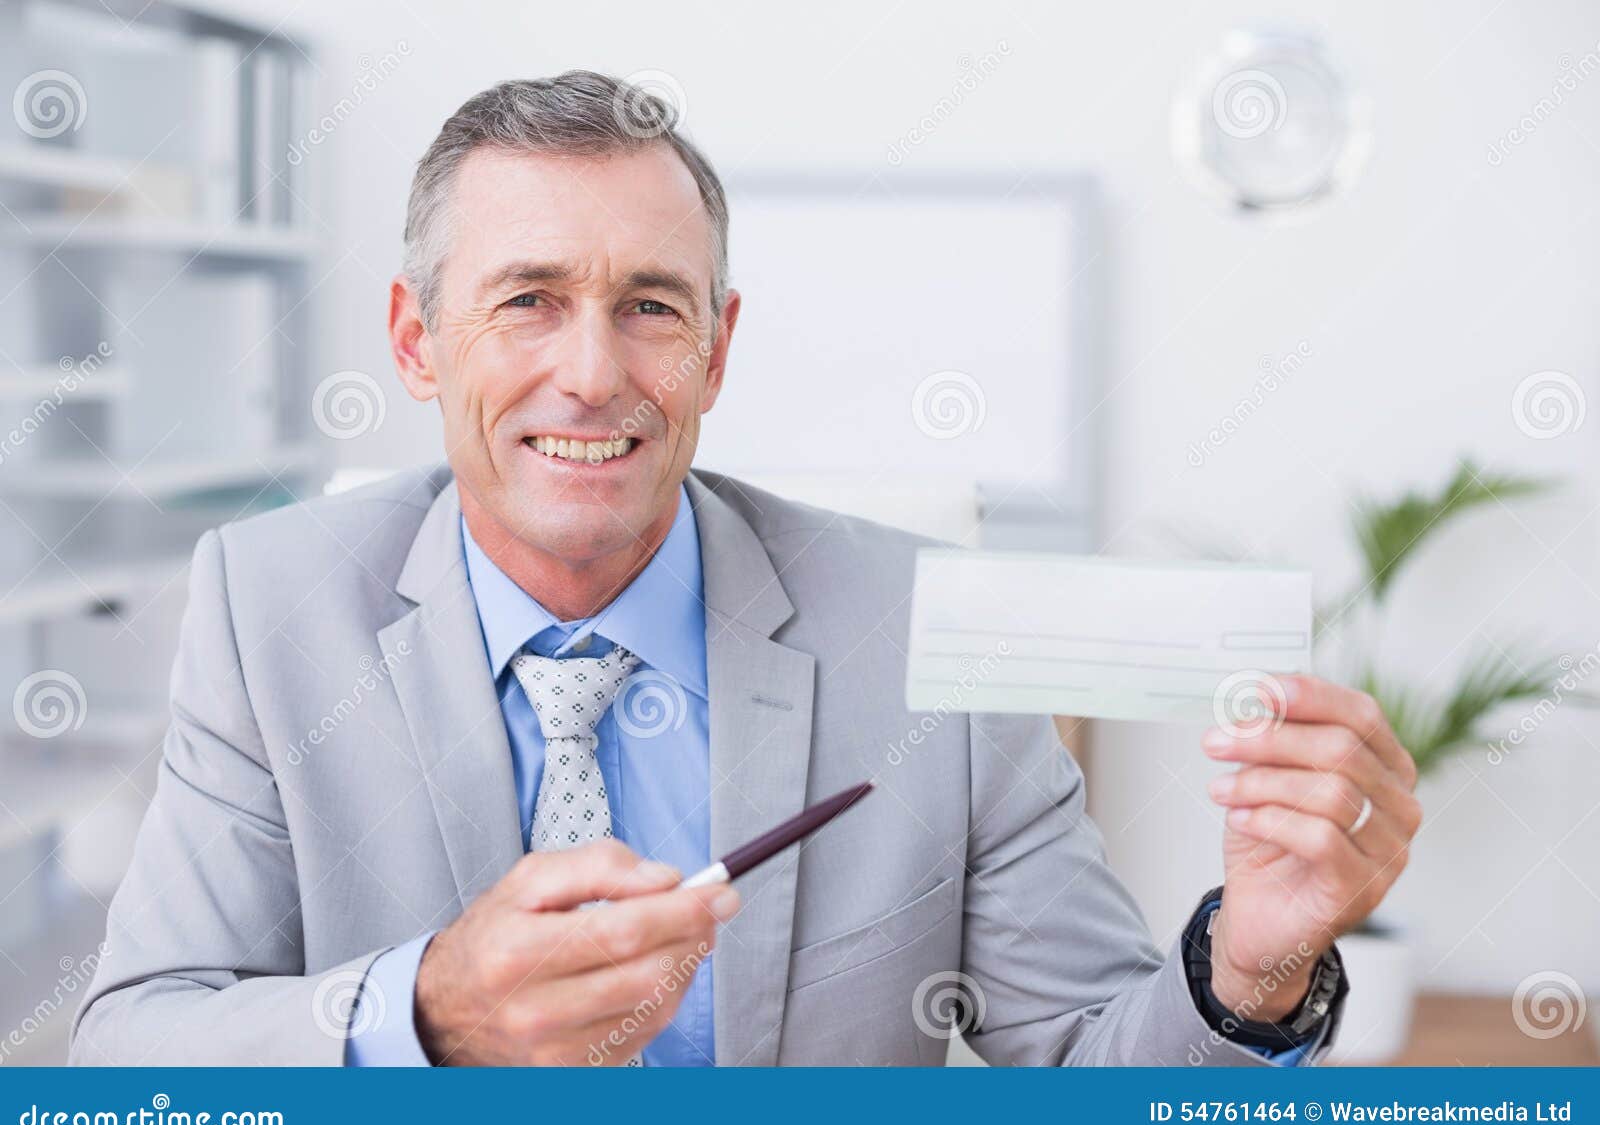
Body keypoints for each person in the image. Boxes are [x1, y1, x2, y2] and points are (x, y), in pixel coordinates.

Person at [71, 71, 1419, 1067]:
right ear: (416, 343)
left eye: (649, 307)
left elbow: (1091, 1075)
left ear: (715, 351)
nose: (591, 372)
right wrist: (428, 1010)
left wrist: (1250, 972)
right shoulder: (266, 608)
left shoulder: (922, 637)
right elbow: (134, 1057)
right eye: (528, 299)